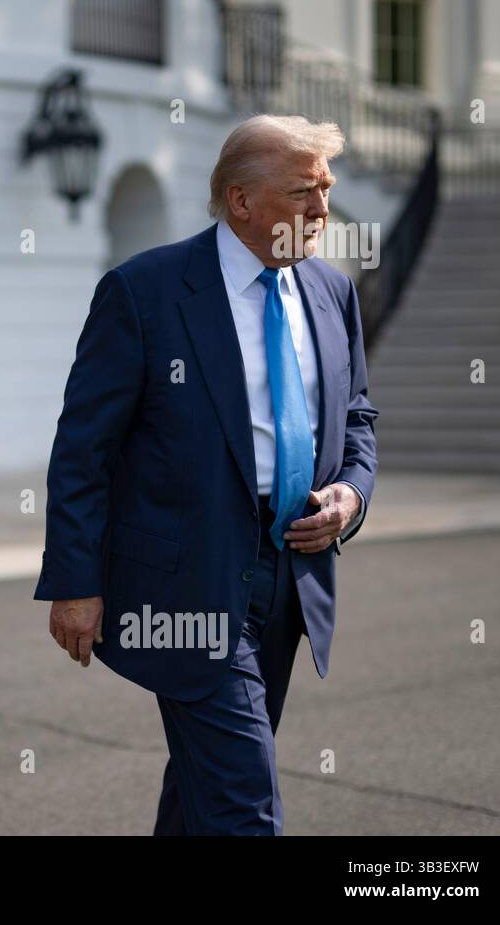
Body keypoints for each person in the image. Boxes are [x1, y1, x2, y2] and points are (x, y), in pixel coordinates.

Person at [36, 114, 378, 836]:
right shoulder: (144, 291)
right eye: (302, 193)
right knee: (244, 806)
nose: (322, 210)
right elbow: (82, 449)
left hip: (292, 572)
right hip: (185, 583)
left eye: (326, 189)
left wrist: (350, 495)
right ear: (241, 201)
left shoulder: (331, 292)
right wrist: (74, 581)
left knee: (205, 786)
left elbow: (357, 423)